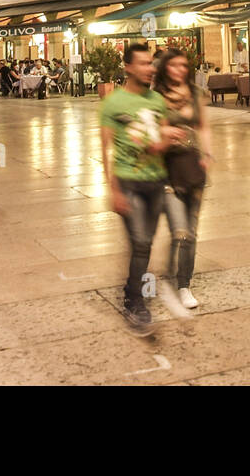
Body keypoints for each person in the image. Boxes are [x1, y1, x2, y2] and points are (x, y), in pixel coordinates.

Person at [100, 43, 188, 335]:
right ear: (127, 67)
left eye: (151, 63)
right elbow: (106, 150)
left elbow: (158, 144)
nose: (149, 68)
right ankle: (135, 303)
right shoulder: (113, 103)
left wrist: (171, 138)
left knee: (146, 243)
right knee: (139, 241)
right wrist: (113, 190)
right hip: (129, 182)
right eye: (142, 63)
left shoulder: (156, 101)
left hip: (156, 181)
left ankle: (131, 288)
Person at [155, 48, 213, 310]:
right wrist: (163, 130)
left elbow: (204, 126)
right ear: (166, 68)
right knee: (179, 229)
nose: (180, 70)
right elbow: (148, 128)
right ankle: (170, 271)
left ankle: (183, 284)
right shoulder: (156, 96)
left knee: (190, 232)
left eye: (183, 66)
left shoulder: (195, 94)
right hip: (166, 168)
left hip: (192, 168)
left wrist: (208, 154)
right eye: (174, 65)